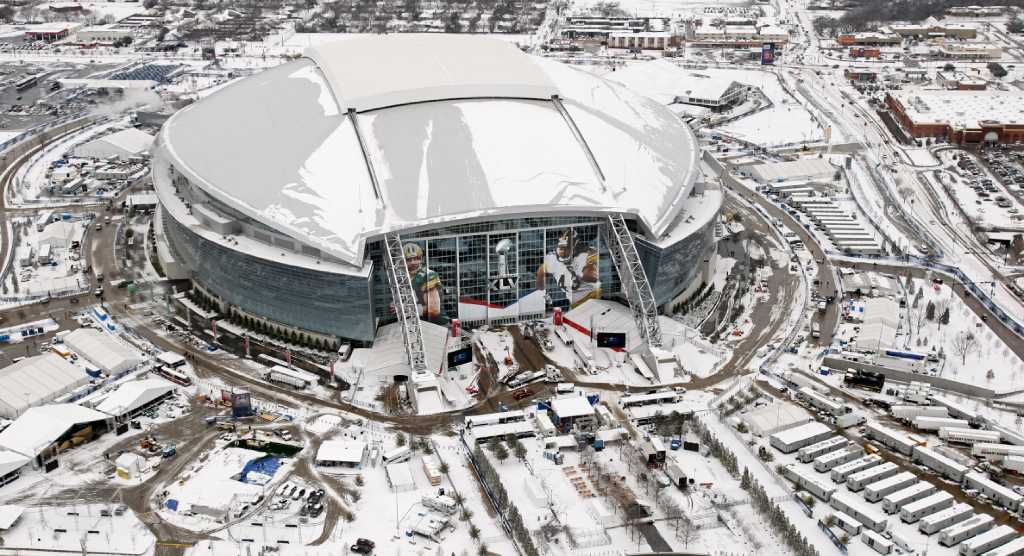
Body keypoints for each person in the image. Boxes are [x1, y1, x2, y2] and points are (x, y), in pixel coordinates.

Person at [536, 228, 600, 307]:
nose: (563, 250)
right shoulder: (552, 258)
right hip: (574, 303)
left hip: (592, 297)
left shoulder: (587, 253)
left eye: (567, 247)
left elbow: (593, 276)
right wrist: (542, 291)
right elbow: (540, 271)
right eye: (562, 247)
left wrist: (579, 273)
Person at [403, 243, 446, 323]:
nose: (413, 262)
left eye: (416, 258)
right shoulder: (404, 277)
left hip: (435, 325)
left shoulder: (429, 275)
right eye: (408, 259)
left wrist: (405, 311)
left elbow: (434, 309)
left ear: (421, 259)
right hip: (417, 324)